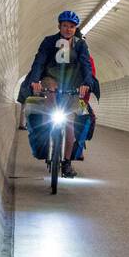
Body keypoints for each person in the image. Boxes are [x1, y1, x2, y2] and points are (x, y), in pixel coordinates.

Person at [20, 10, 93, 178]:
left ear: (76, 29)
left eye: (72, 27)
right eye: (65, 26)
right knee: (50, 92)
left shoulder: (80, 45)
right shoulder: (49, 42)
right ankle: (47, 130)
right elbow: (39, 61)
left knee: (69, 124)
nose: (68, 29)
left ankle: (66, 163)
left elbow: (86, 66)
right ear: (59, 26)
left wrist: (86, 84)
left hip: (71, 84)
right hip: (51, 79)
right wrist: (35, 81)